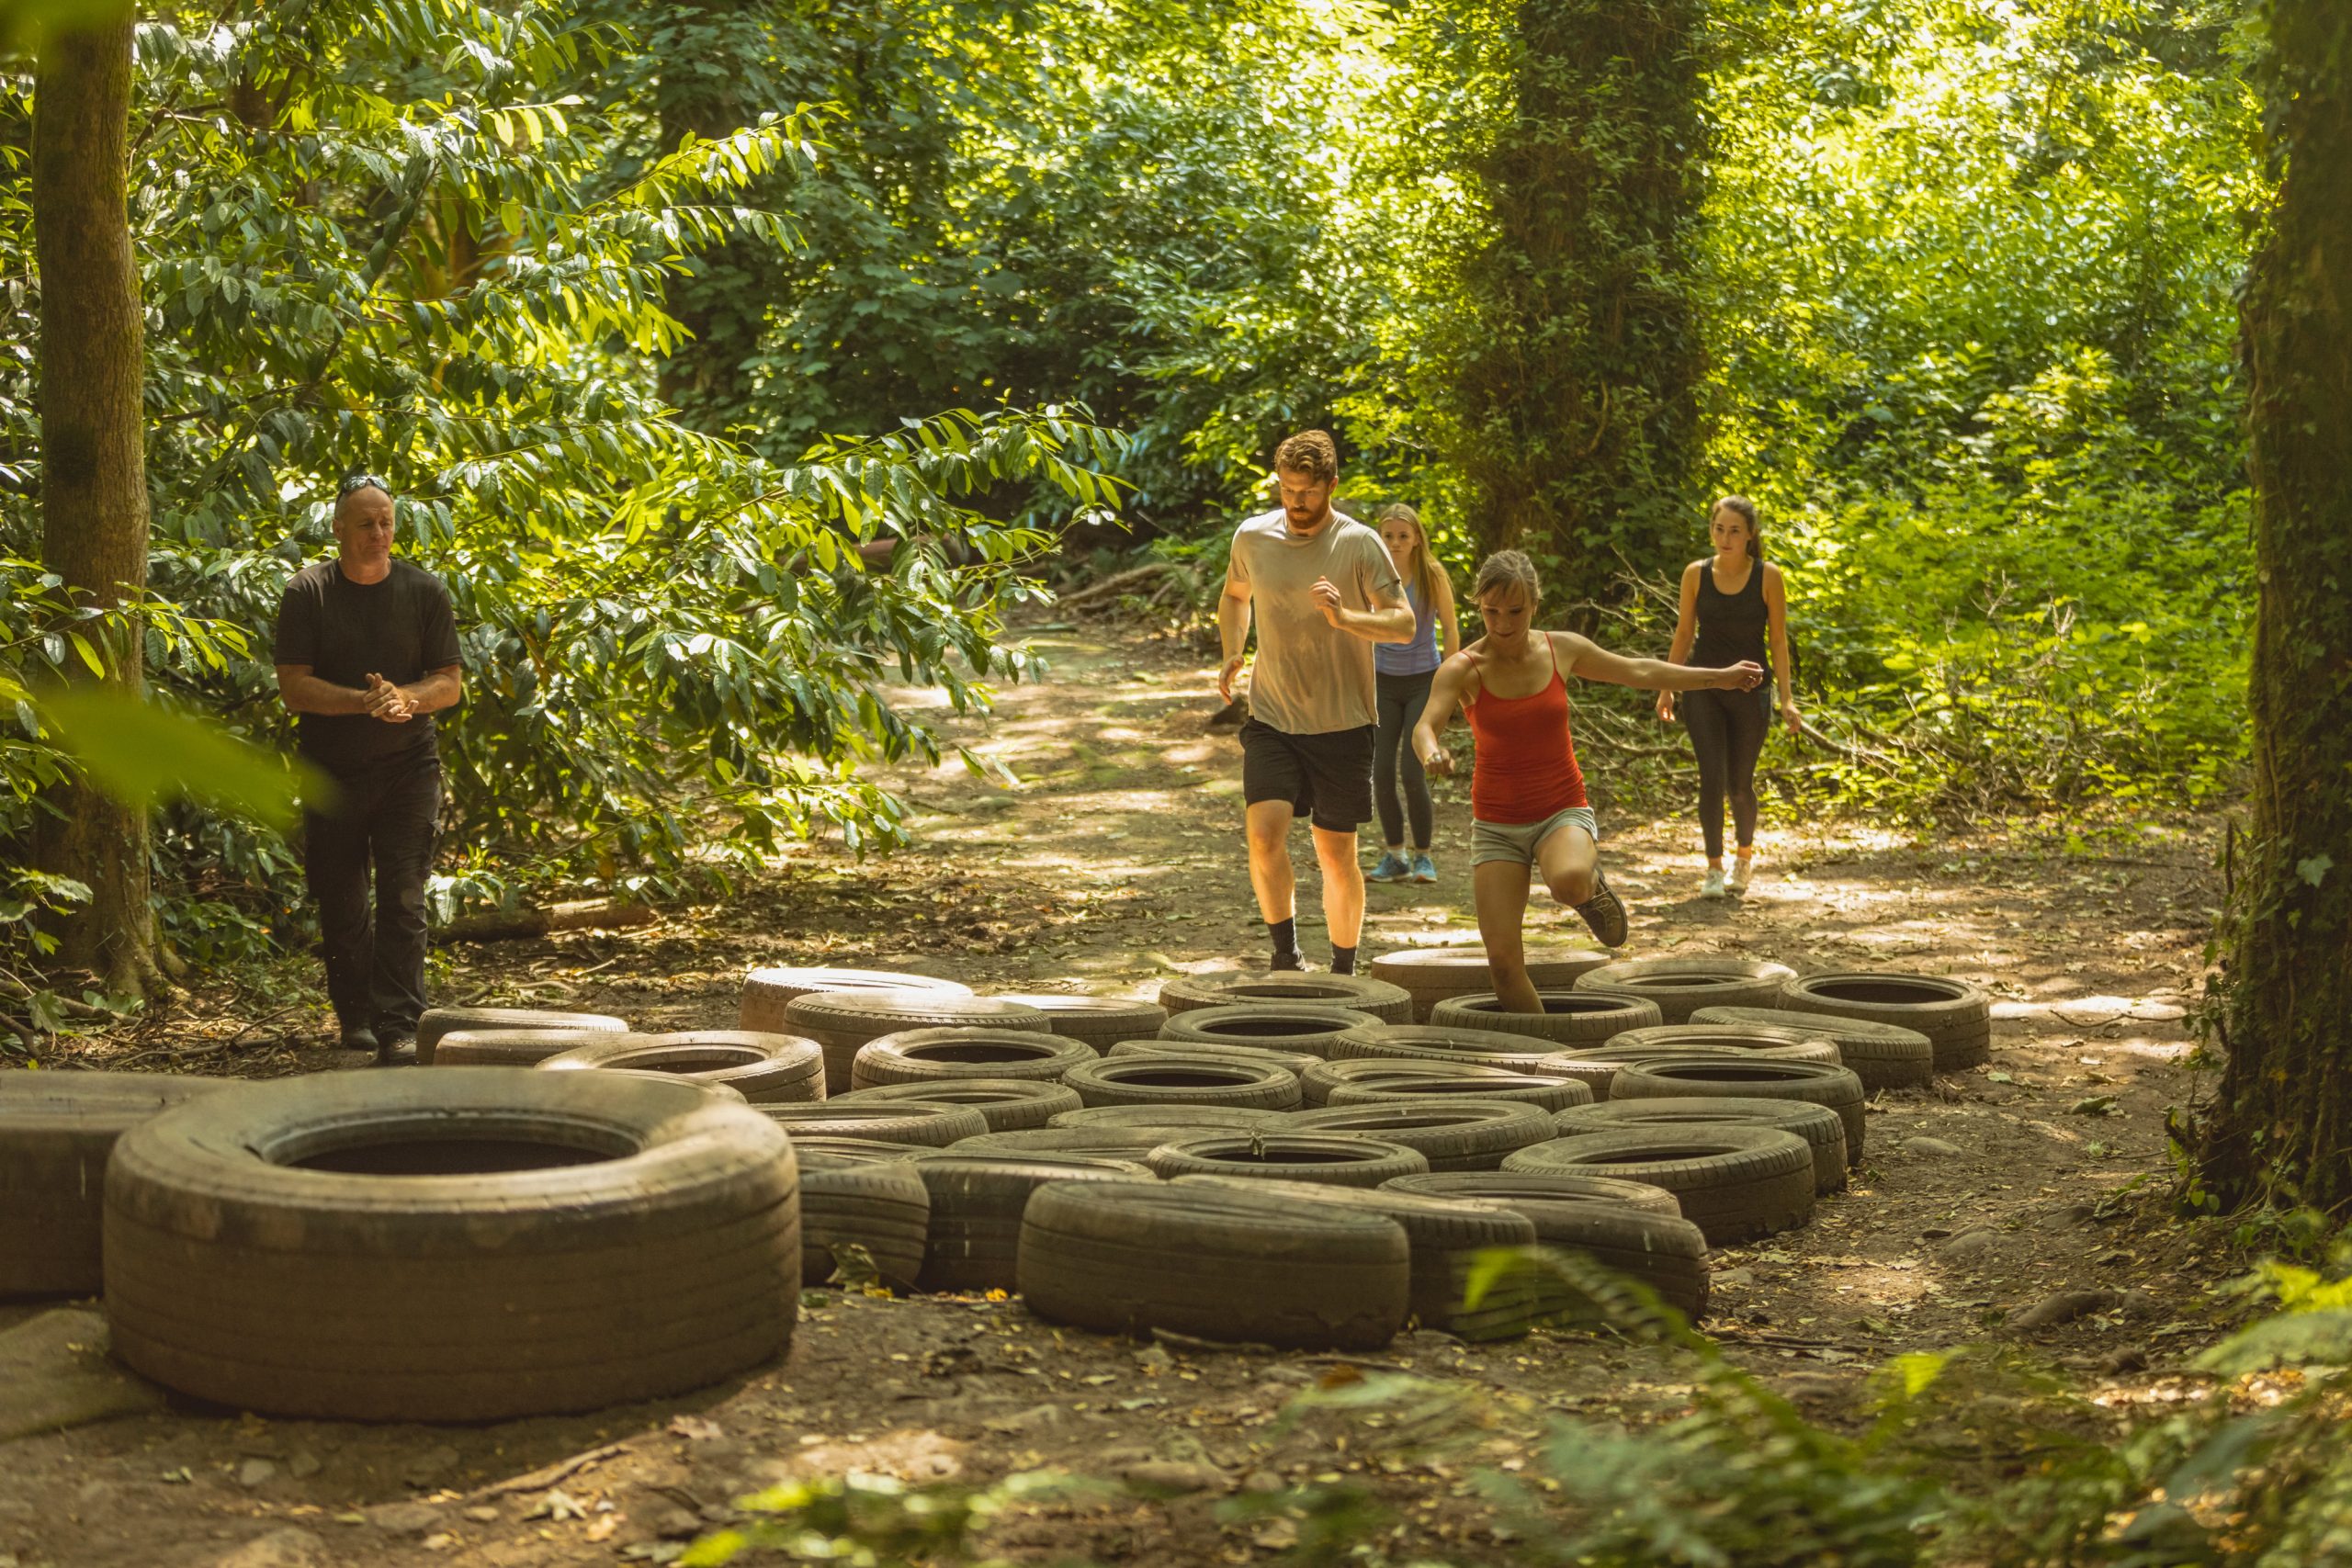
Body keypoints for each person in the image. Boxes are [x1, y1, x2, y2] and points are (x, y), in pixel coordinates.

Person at [1413, 550, 1762, 1012]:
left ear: (1534, 604)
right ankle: (1550, 1059)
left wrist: (1718, 678)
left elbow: (1639, 670)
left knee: (1570, 881)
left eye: (1514, 611)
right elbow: (1425, 726)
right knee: (1501, 965)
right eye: (1491, 611)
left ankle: (1594, 892)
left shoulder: (1562, 649)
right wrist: (1432, 753)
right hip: (1497, 823)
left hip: (1560, 809)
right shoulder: (1464, 667)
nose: (1501, 622)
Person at [273, 476, 464, 1063]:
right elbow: (294, 688)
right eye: (365, 523)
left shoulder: (424, 591)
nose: (378, 534)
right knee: (342, 898)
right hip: (332, 771)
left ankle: (401, 1023)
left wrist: (405, 699)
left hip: (409, 768)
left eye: (386, 522)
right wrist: (363, 701)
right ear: (337, 528)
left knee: (404, 896)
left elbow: (449, 685)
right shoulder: (309, 593)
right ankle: (355, 1018)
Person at [1218, 431, 1415, 974]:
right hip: (1272, 716)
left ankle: (1344, 969)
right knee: (1263, 835)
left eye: (1307, 491)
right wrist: (1234, 651)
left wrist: (1346, 617)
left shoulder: (1359, 543)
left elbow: (1403, 623)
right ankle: (1285, 957)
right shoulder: (1253, 537)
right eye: (1286, 490)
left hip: (1342, 723)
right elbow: (1235, 597)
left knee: (1335, 855)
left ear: (1332, 484)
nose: (1296, 502)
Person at [1656, 495, 1801, 897]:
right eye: (1719, 529)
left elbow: (1778, 640)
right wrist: (1668, 686)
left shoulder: (1768, 576)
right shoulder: (1695, 574)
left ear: (1750, 535)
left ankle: (1744, 857)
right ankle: (1714, 869)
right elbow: (1684, 634)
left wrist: (1787, 699)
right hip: (1703, 687)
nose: (1725, 537)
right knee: (1711, 778)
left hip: (1751, 691)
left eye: (1735, 530)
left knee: (1739, 784)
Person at [1368, 503, 1459, 886]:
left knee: (1412, 769)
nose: (1395, 543)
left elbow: (1451, 631)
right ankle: (1396, 856)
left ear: (1418, 538)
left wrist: (1455, 685)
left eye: (1403, 536)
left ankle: (1423, 857)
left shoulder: (1432, 574)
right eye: (1388, 536)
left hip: (1424, 680)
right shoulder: (1371, 572)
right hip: (1382, 682)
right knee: (1381, 771)